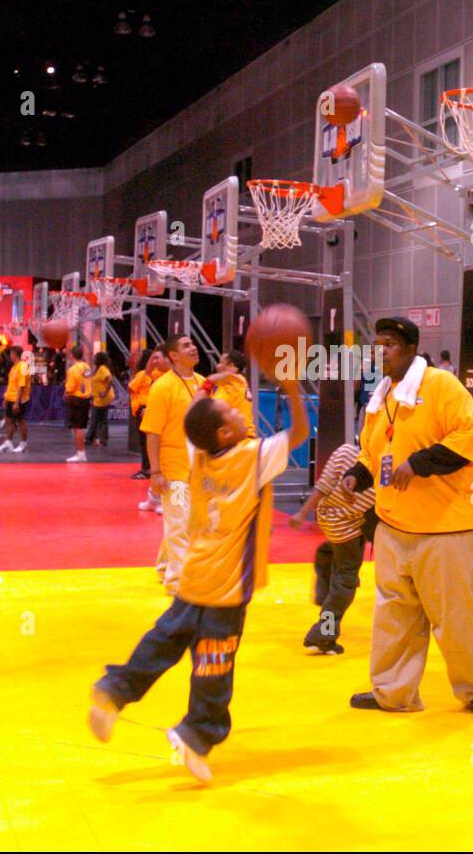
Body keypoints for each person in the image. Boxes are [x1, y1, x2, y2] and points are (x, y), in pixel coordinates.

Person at [87, 373, 308, 783]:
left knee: (163, 642)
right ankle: (196, 735)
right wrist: (293, 389)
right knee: (214, 665)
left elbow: (195, 418)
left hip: (193, 572)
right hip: (225, 585)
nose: (241, 412)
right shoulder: (253, 457)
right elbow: (300, 431)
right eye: (232, 412)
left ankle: (114, 690)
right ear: (225, 430)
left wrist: (210, 388)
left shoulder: (199, 453)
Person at [337, 317, 473, 720]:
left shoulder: (443, 386)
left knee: (459, 615)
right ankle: (393, 691)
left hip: (446, 528)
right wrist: (356, 475)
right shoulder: (382, 396)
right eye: (378, 345)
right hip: (394, 526)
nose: (382, 351)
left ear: (410, 348)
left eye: (389, 344)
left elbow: (468, 440)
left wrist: (419, 463)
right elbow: (372, 453)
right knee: (394, 614)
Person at [288, 439, 375, 654]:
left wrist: (302, 513)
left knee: (328, 553)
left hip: (328, 520)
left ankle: (324, 591)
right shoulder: (383, 470)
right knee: (345, 581)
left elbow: (321, 488)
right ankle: (324, 633)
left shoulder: (344, 451)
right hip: (348, 529)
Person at [141, 335, 204, 595]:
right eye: (186, 345)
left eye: (193, 344)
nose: (193, 348)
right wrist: (155, 471)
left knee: (188, 521)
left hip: (199, 467)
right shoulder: (162, 387)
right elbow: (152, 433)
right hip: (174, 467)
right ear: (174, 356)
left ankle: (165, 564)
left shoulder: (203, 384)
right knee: (180, 523)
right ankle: (177, 582)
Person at [129, 348, 167, 482]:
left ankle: (147, 469)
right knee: (149, 441)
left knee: (146, 442)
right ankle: (150, 468)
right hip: (146, 409)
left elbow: (131, 388)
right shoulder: (154, 374)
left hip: (144, 409)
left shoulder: (144, 374)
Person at [209, 349, 254, 437]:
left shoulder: (236, 382)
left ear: (232, 366)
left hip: (241, 439)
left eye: (221, 363)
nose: (217, 366)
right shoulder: (230, 384)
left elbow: (212, 410)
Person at [0, 345, 32, 453]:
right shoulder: (14, 367)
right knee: (9, 420)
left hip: (19, 400)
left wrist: (17, 403)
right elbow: (11, 384)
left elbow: (21, 386)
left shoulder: (23, 366)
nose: (10, 356)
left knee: (20, 421)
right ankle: (8, 443)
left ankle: (24, 444)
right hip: (10, 398)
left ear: (14, 354)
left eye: (11, 353)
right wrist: (6, 398)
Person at [64, 344, 93, 463]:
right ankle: (80, 452)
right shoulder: (87, 367)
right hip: (86, 399)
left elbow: (70, 387)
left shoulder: (73, 369)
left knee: (77, 428)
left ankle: (81, 453)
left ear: (72, 355)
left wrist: (66, 393)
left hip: (76, 399)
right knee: (80, 427)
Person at [86, 351, 114, 448]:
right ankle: (103, 440)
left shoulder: (103, 369)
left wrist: (105, 392)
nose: (93, 359)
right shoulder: (98, 369)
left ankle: (89, 438)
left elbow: (110, 380)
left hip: (102, 399)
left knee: (95, 419)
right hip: (99, 398)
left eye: (95, 358)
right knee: (102, 419)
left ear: (99, 360)